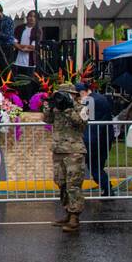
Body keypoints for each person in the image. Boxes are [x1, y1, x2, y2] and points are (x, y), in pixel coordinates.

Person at [47, 82, 88, 231]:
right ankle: (67, 212)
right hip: (59, 150)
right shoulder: (57, 108)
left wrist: (69, 109)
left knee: (73, 184)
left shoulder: (81, 108)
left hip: (74, 151)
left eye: (66, 94)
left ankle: (74, 217)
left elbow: (82, 124)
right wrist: (50, 106)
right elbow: (47, 119)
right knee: (61, 183)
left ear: (73, 95)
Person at [83, 84, 114, 197]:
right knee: (97, 166)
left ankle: (107, 189)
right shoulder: (99, 97)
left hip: (96, 139)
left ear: (83, 92)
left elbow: (90, 120)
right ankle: (107, 189)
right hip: (104, 137)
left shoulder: (91, 100)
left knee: (95, 167)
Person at [12, 12, 41, 81]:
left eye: (34, 17)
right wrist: (21, 48)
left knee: (28, 81)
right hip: (17, 60)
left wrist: (20, 46)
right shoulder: (19, 28)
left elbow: (33, 47)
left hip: (30, 62)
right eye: (30, 16)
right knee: (17, 81)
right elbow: (14, 42)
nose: (31, 18)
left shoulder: (37, 30)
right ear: (27, 17)